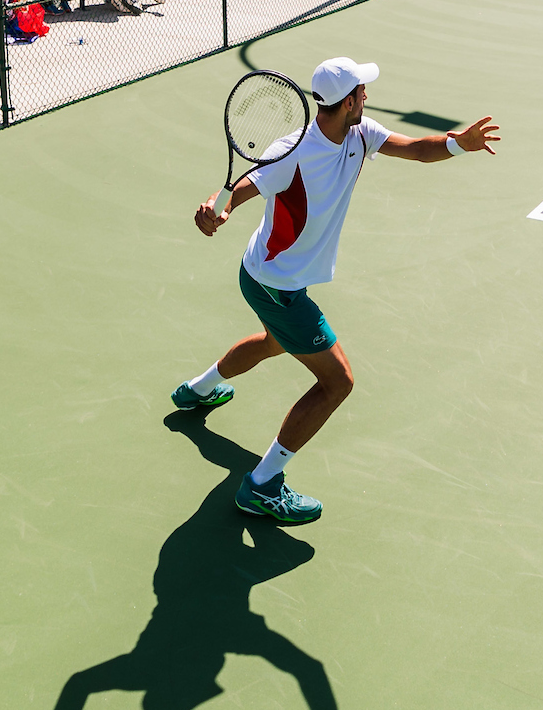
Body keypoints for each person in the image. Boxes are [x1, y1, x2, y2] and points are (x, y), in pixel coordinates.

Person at [173, 58, 500, 523]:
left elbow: (416, 149)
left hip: (266, 276)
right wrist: (219, 206)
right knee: (337, 382)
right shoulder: (294, 150)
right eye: (362, 92)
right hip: (276, 285)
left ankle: (196, 390)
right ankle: (262, 485)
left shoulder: (359, 133)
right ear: (346, 102)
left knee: (274, 343)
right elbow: (250, 182)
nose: (367, 97)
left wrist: (457, 144)